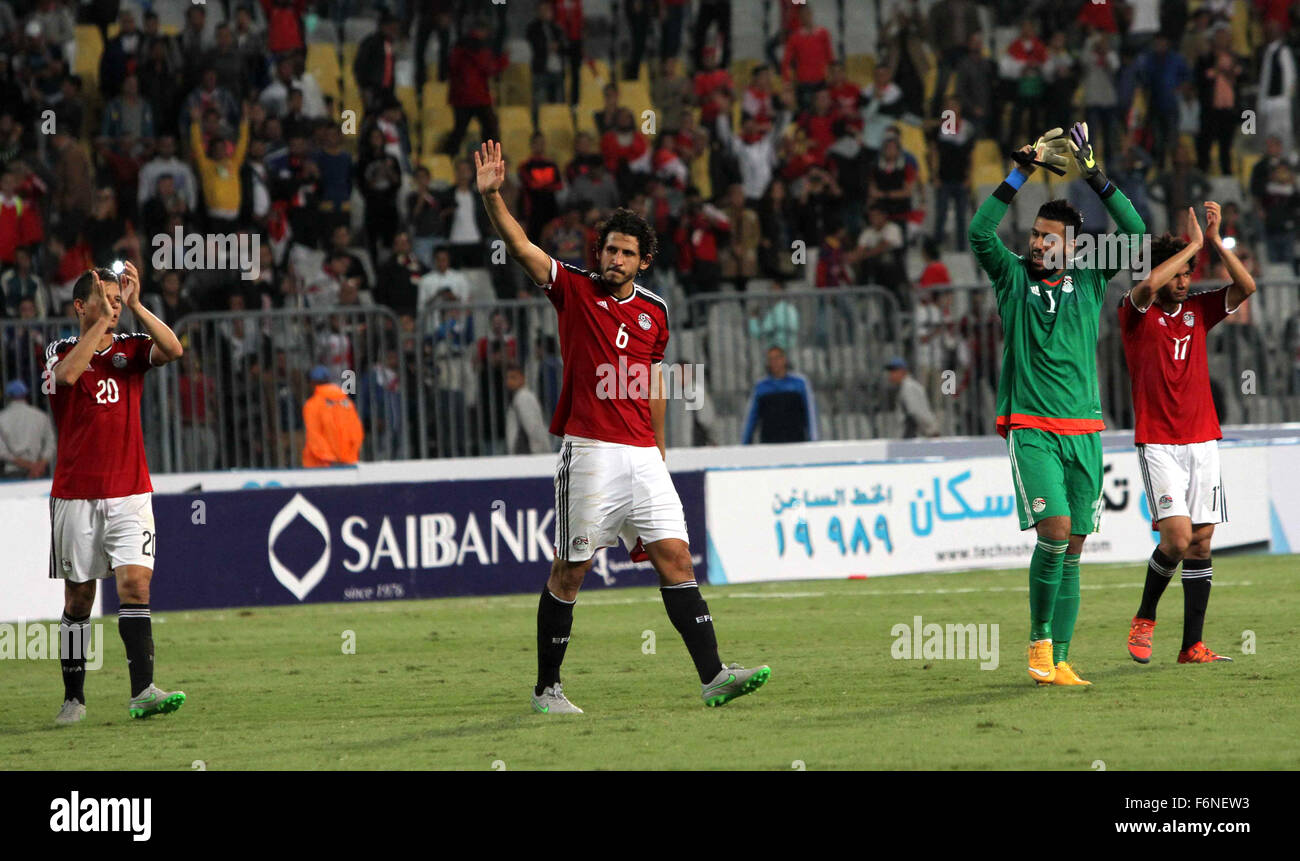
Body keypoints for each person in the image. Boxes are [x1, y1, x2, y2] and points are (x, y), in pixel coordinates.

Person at [474, 139, 769, 713]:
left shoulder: (655, 311)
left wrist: (659, 450)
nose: (613, 259)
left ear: (642, 261)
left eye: (625, 253)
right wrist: (493, 199)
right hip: (590, 451)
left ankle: (713, 677)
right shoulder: (573, 289)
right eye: (608, 249)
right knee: (572, 568)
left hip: (643, 458)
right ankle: (547, 689)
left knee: (677, 560)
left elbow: (652, 382)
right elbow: (520, 244)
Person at [968, 123, 1147, 687]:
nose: (1040, 243)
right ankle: (1039, 642)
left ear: (1074, 245)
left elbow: (1137, 231)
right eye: (1037, 234)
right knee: (1055, 530)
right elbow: (978, 234)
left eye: (1051, 237)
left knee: (1074, 546)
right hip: (1032, 427)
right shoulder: (1012, 277)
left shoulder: (1092, 277)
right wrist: (1018, 172)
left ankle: (1060, 658)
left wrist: (1094, 175)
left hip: (1085, 428)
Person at [44, 263, 186, 725]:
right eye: (104, 299)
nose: (114, 305)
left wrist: (139, 305)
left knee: (135, 585)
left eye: (116, 298)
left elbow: (174, 349)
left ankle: (142, 690)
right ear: (80, 307)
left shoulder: (131, 349)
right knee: (79, 599)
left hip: (130, 492)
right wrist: (101, 325)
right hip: (75, 494)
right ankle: (73, 698)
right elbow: (66, 379)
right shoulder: (61, 351)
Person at [1121, 202, 1255, 666]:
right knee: (1176, 540)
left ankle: (1191, 646)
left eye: (1188, 273)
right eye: (1176, 273)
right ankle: (1144, 617)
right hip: (1159, 441)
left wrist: (1214, 243)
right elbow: (1146, 287)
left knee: (1201, 542)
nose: (1184, 281)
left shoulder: (1200, 309)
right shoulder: (1134, 313)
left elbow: (1247, 286)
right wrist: (1191, 245)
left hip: (1203, 440)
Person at [741, 345, 817, 444]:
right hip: (769, 445)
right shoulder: (761, 387)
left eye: (778, 358)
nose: (775, 362)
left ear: (784, 359)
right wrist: (745, 444)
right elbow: (751, 418)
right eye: (771, 359)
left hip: (797, 442)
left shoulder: (800, 383)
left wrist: (814, 441)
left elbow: (810, 414)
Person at [301, 365, 364, 468]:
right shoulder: (347, 403)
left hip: (321, 465)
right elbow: (357, 433)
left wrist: (330, 459)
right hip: (348, 463)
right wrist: (349, 457)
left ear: (312, 383)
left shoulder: (312, 405)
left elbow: (314, 436)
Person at [0, 379, 55, 479]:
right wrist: (39, 465)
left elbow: (2, 452)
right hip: (38, 472)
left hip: (13, 472)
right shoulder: (41, 416)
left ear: (7, 397)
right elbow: (51, 444)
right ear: (26, 395)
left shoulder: (2, 418)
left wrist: (30, 466)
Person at [884, 357, 939, 438]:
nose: (890, 374)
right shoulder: (904, 387)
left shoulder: (908, 387)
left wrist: (931, 431)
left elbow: (916, 412)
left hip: (913, 437)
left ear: (902, 371)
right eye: (890, 371)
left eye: (894, 371)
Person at [504, 363, 551, 454]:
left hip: (528, 453)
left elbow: (533, 428)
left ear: (523, 379)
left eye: (513, 378)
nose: (509, 381)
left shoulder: (523, 397)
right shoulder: (518, 397)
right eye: (508, 378)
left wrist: (539, 453)